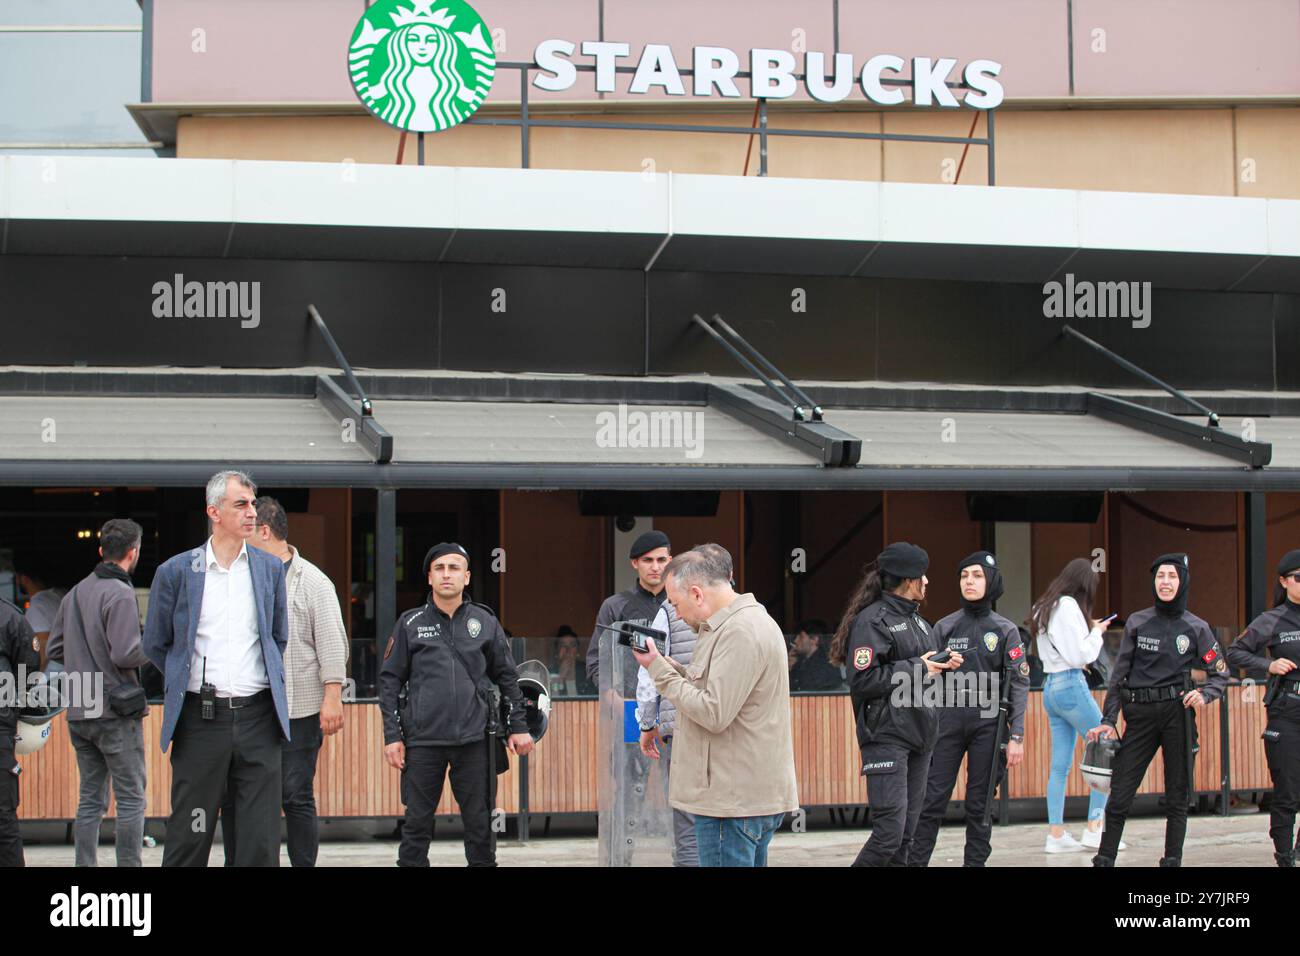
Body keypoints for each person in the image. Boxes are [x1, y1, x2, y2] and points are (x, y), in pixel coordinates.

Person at [143, 470, 290, 867]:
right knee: (190, 836)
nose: (251, 513)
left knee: (258, 844)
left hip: (260, 718)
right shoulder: (176, 572)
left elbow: (278, 637)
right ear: (214, 511)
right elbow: (155, 644)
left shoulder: (269, 569)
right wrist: (183, 677)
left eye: (253, 504)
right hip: (200, 721)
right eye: (241, 504)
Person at [632, 545, 798, 867]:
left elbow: (713, 712)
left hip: (731, 801)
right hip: (742, 796)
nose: (676, 615)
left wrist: (658, 671)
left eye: (676, 605)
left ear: (696, 593)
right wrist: (671, 667)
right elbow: (718, 689)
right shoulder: (736, 624)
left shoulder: (739, 631)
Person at [379, 542, 533, 867]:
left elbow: (507, 678)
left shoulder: (485, 621)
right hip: (422, 742)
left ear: (467, 577)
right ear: (430, 578)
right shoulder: (410, 623)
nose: (446, 574)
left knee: (480, 826)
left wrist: (518, 726)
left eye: (453, 568)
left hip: (475, 740)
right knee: (417, 825)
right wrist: (392, 736)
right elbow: (389, 681)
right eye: (439, 568)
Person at [221, 496, 349, 867]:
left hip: (300, 709)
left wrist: (333, 697)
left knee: (295, 795)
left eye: (247, 528)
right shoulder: (240, 576)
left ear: (264, 531)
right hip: (249, 708)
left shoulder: (312, 582)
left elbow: (332, 644)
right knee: (240, 795)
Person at [1087, 553, 1228, 867]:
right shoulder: (1138, 621)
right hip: (1140, 716)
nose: (1166, 582)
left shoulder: (1197, 627)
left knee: (1177, 795)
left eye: (1172, 576)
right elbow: (1119, 675)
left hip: (1178, 714)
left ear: (1183, 582)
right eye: (1160, 576)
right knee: (1121, 792)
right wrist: (1109, 719)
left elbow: (1221, 673)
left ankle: (1172, 859)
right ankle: (1105, 858)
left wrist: (1205, 695)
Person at [829, 542, 962, 867]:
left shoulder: (919, 622)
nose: (928, 581)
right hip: (887, 736)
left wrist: (941, 665)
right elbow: (862, 680)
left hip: (921, 736)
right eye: (922, 575)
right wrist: (920, 666)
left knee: (906, 838)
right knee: (889, 833)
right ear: (907, 579)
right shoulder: (872, 621)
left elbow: (920, 672)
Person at [910, 551, 1029, 867]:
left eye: (976, 575)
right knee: (931, 801)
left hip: (990, 723)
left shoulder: (1005, 630)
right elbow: (926, 680)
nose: (969, 581)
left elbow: (1018, 683)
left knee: (979, 805)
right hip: (947, 719)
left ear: (990, 581)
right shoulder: (945, 626)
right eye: (964, 576)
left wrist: (1016, 735)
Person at [46, 518, 149, 867]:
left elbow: (55, 649)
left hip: (80, 709)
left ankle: (84, 867)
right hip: (115, 713)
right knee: (132, 798)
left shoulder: (75, 592)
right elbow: (125, 653)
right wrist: (156, 643)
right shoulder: (119, 593)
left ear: (102, 550)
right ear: (133, 552)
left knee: (91, 799)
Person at [1030, 557, 1117, 853]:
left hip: (1050, 687)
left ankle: (1056, 834)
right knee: (1104, 745)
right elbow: (1080, 656)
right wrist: (1097, 633)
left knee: (1060, 765)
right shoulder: (1068, 606)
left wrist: (1088, 628)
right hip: (1070, 683)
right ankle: (1095, 827)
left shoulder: (1044, 605)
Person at [1226, 548, 1300, 866]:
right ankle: (1284, 856)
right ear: (1284, 581)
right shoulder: (1273, 620)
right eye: (1299, 577)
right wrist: (1267, 665)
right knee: (1287, 791)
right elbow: (1235, 652)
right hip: (1287, 711)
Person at [585, 530, 673, 689]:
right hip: (629, 701)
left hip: (674, 699)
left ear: (670, 561)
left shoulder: (682, 603)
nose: (655, 567)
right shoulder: (614, 605)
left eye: (661, 560)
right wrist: (611, 693)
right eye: (647, 560)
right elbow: (596, 660)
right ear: (635, 563)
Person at [0, 594, 40, 866]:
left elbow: (28, 673)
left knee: (3, 818)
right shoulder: (10, 617)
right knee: (3, 818)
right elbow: (28, 671)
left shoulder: (9, 618)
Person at [16, 560, 66, 669]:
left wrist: (32, 679)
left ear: (24, 579)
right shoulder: (62, 593)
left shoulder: (37, 606)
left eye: (17, 578)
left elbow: (42, 647)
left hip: (52, 676)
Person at [788, 620, 842, 692]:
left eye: (801, 637)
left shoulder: (824, 665)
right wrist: (789, 667)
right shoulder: (799, 661)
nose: (795, 640)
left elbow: (807, 689)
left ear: (814, 640)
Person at [548, 626, 595, 697]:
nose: (568, 649)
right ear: (557, 651)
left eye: (572, 645)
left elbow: (593, 699)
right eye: (563, 645)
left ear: (577, 652)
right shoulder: (550, 672)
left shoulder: (587, 671)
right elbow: (551, 702)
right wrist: (560, 677)